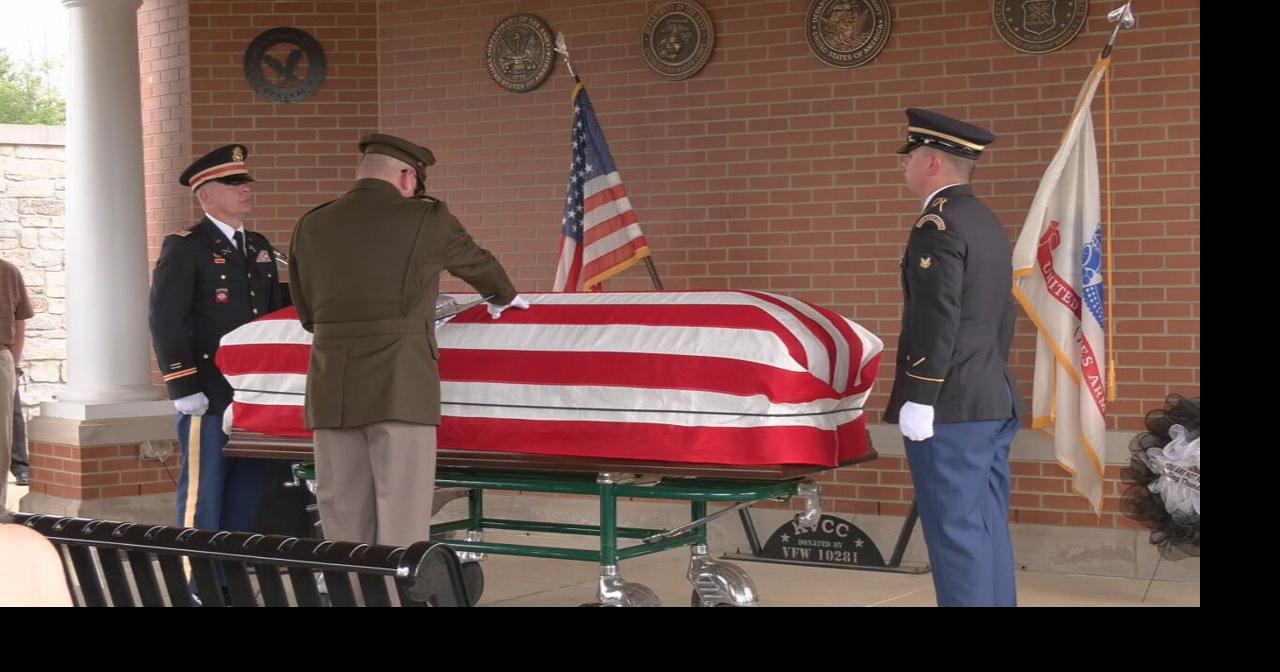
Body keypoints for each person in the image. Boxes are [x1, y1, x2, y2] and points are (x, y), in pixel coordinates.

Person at [289, 132, 527, 551]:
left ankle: (351, 594)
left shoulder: (312, 224)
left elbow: (307, 314)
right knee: (401, 507)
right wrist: (503, 297)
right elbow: (478, 264)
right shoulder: (425, 218)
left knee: (341, 508)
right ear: (405, 176)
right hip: (401, 380)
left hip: (332, 383)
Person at [883, 108, 1026, 607]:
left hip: (949, 405)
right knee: (984, 528)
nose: (904, 167)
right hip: (990, 394)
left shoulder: (937, 224)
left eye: (911, 157)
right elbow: (1001, 315)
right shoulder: (983, 221)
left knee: (954, 537)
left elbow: (936, 316)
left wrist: (921, 395)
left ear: (933, 163)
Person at [148, 144, 284, 540]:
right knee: (204, 492)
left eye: (245, 182)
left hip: (251, 391)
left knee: (247, 490)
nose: (245, 189)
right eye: (233, 183)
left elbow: (271, 318)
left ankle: (232, 579)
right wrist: (183, 384)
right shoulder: (186, 246)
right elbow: (165, 318)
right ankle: (199, 584)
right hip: (208, 390)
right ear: (205, 194)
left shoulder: (258, 245)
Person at [0, 258, 33, 505]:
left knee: (2, 440)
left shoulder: (8, 271)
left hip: (1, 356)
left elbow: (20, 321)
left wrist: (14, 364)